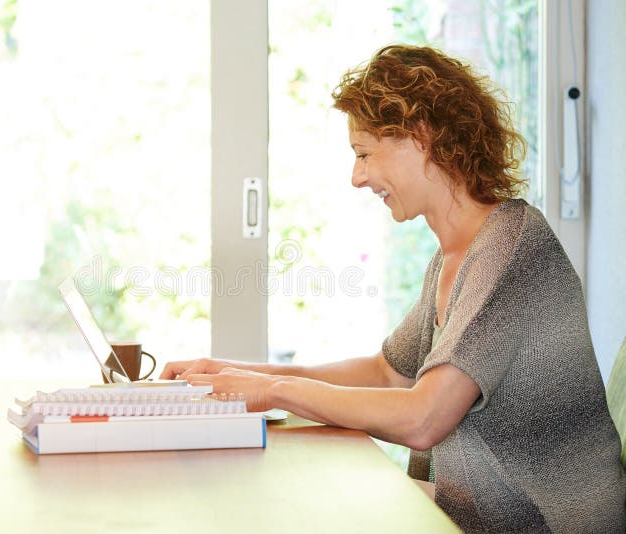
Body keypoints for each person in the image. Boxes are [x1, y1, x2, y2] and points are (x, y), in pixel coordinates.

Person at [160, 45, 625, 532]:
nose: (357, 177)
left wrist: (274, 391)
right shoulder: (453, 258)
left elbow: (424, 418)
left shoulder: (512, 247)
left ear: (421, 136)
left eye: (364, 154)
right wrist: (236, 373)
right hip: (485, 516)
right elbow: (388, 374)